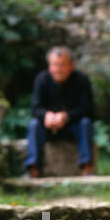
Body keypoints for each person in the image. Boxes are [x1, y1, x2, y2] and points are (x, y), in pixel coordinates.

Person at [26, 46, 95, 178]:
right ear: (49, 66)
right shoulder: (42, 79)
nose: (58, 69)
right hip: (48, 127)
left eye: (62, 65)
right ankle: (33, 167)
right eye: (55, 65)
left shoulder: (81, 80)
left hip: (72, 126)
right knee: (34, 124)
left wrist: (66, 116)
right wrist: (47, 115)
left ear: (72, 66)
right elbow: (35, 109)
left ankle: (86, 166)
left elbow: (87, 109)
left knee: (85, 123)